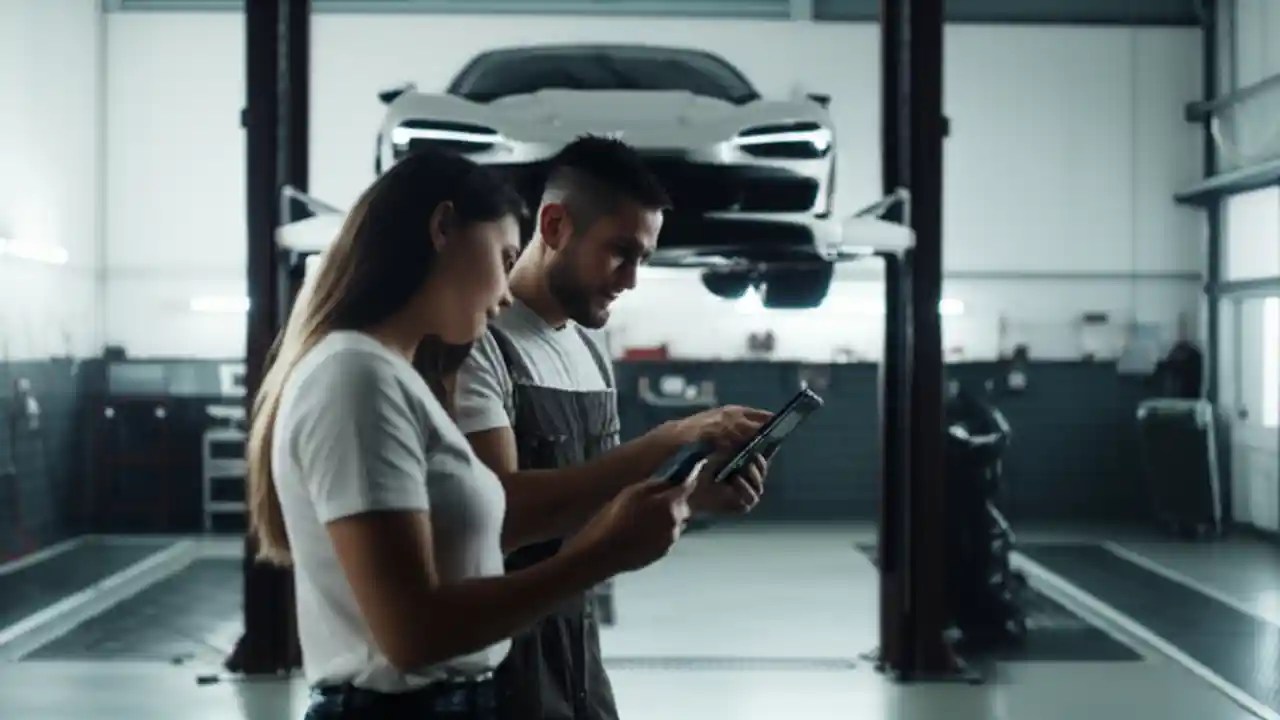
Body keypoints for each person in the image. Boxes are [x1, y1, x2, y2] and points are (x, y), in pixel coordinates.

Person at [244, 147, 705, 720]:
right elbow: (414, 634)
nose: (508, 291)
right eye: (506, 255)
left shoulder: (393, 378)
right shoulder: (354, 377)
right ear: (443, 229)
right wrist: (603, 554)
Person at [454, 135, 774, 720]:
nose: (630, 280)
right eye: (620, 253)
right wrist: (670, 439)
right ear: (553, 226)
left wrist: (687, 496)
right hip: (497, 677)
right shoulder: (480, 345)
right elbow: (498, 520)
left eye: (643, 259)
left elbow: (592, 512)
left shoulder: (590, 349)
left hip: (580, 672)